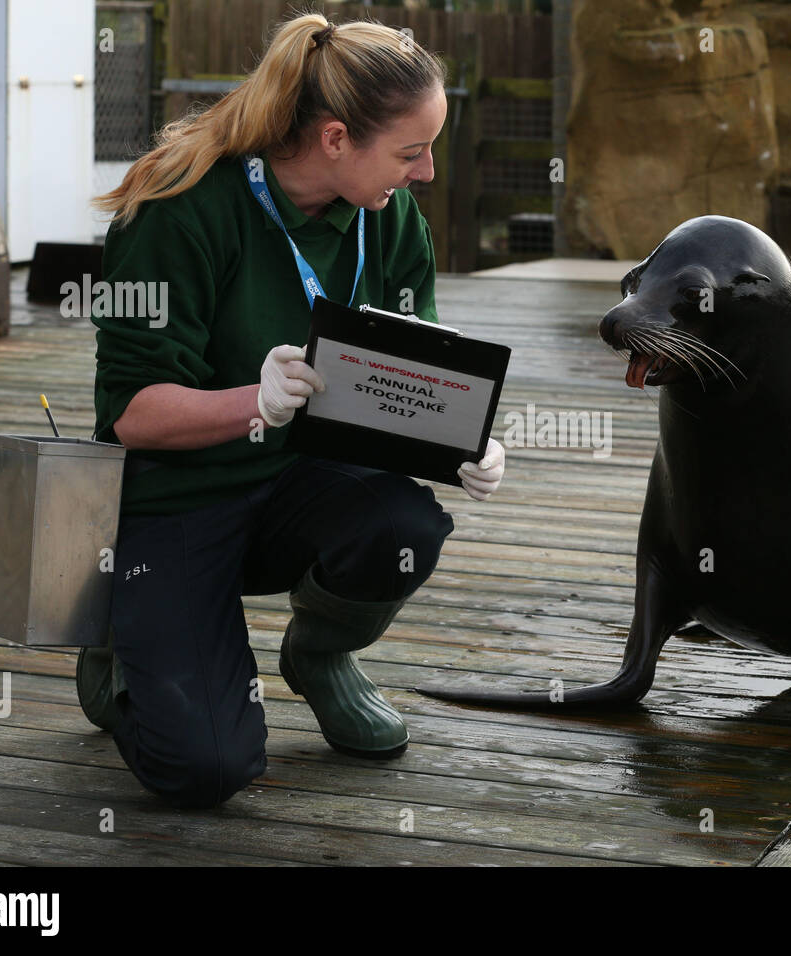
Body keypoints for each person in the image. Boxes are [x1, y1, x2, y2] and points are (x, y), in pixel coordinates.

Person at [81, 13, 504, 809]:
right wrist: (259, 401)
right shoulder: (177, 205)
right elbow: (132, 414)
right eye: (410, 152)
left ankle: (321, 654)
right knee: (205, 771)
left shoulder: (384, 215)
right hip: (179, 498)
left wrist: (460, 439)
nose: (426, 174)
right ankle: (122, 647)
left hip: (303, 482)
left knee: (405, 528)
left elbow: (407, 371)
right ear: (337, 138)